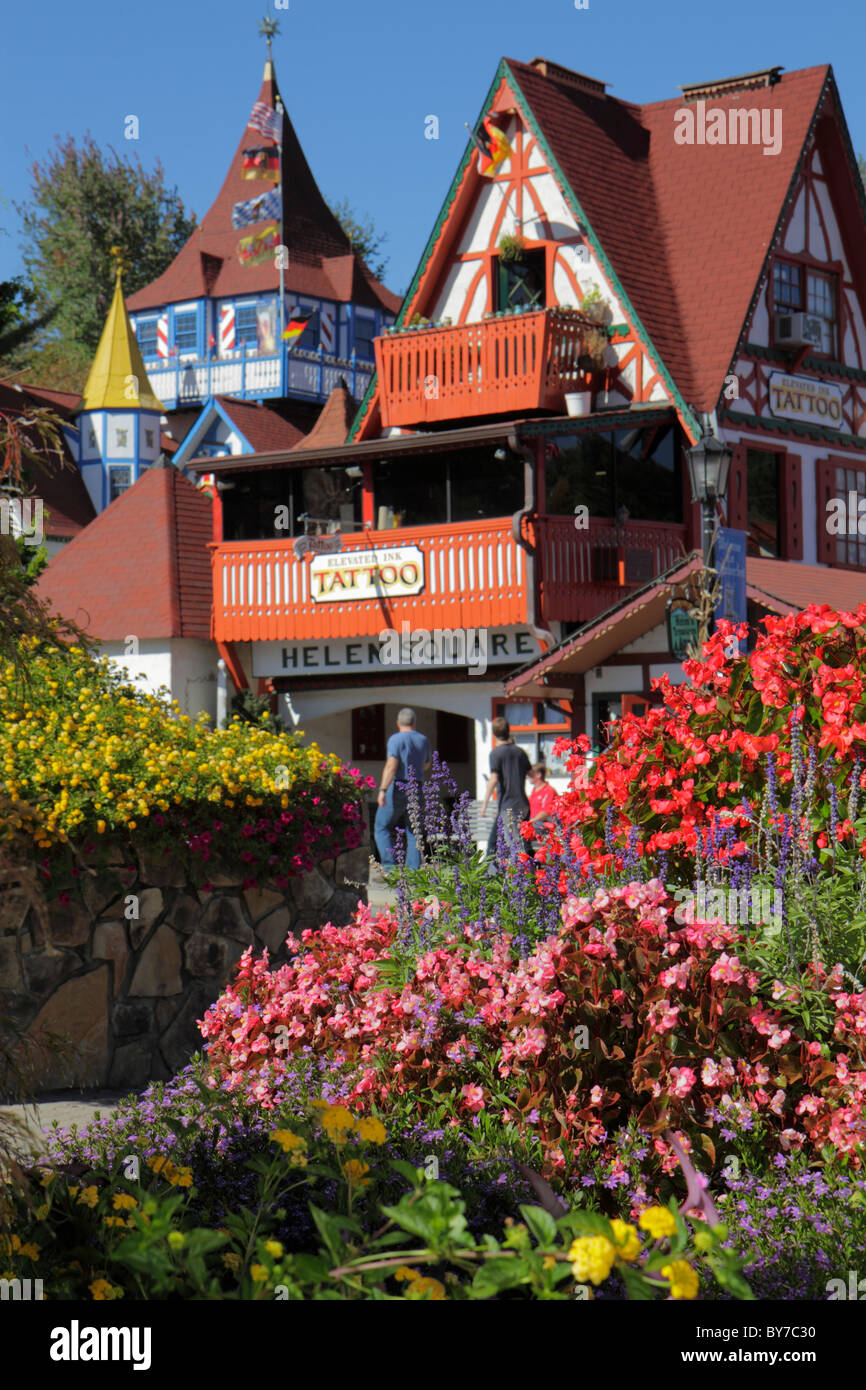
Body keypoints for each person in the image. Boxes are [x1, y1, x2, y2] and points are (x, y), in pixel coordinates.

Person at [374, 708, 432, 871]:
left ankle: (390, 869)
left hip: (398, 786)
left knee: (381, 826)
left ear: (398, 723)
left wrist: (382, 789)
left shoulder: (395, 739)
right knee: (414, 830)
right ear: (414, 723)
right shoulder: (423, 740)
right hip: (417, 786)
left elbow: (391, 766)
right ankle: (413, 872)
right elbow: (427, 764)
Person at [480, 716, 531, 862]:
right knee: (494, 843)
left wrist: (484, 804)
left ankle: (527, 877)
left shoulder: (496, 753)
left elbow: (493, 780)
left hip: (508, 805)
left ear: (494, 733)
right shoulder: (520, 752)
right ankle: (488, 876)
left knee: (515, 845)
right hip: (523, 803)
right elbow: (532, 773)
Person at [527, 763, 560, 841]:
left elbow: (546, 812)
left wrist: (530, 822)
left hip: (543, 823)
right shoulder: (534, 791)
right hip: (534, 822)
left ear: (538, 775)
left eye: (530, 774)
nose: (527, 776)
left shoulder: (549, 791)